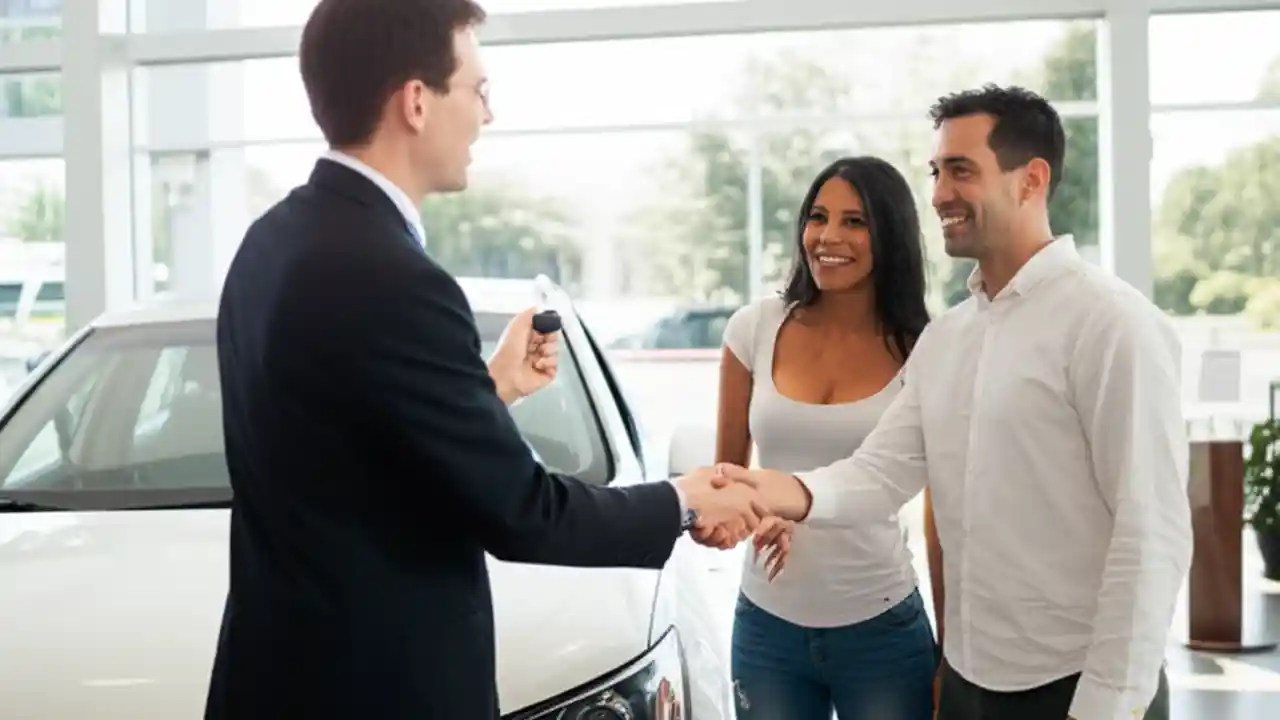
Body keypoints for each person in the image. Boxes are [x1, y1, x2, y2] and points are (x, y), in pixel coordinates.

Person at [205, 1, 763, 718]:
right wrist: (684, 500)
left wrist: (491, 388)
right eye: (478, 89)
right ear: (415, 101)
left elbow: (344, 450)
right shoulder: (393, 278)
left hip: (276, 676)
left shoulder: (272, 240)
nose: (487, 115)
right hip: (377, 689)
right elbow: (522, 512)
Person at [709, 84, 1192, 720]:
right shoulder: (947, 339)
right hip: (970, 681)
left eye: (961, 171)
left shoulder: (1112, 324)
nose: (938, 194)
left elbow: (1151, 530)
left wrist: (1107, 703)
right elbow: (878, 474)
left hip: (1078, 686)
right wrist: (767, 490)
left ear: (1031, 180)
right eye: (936, 172)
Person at [711, 156, 937, 719]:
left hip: (882, 628)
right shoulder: (754, 329)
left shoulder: (926, 350)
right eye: (818, 217)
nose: (828, 236)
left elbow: (943, 513)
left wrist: (953, 651)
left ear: (890, 234)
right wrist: (757, 515)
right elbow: (725, 487)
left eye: (855, 221)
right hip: (767, 629)